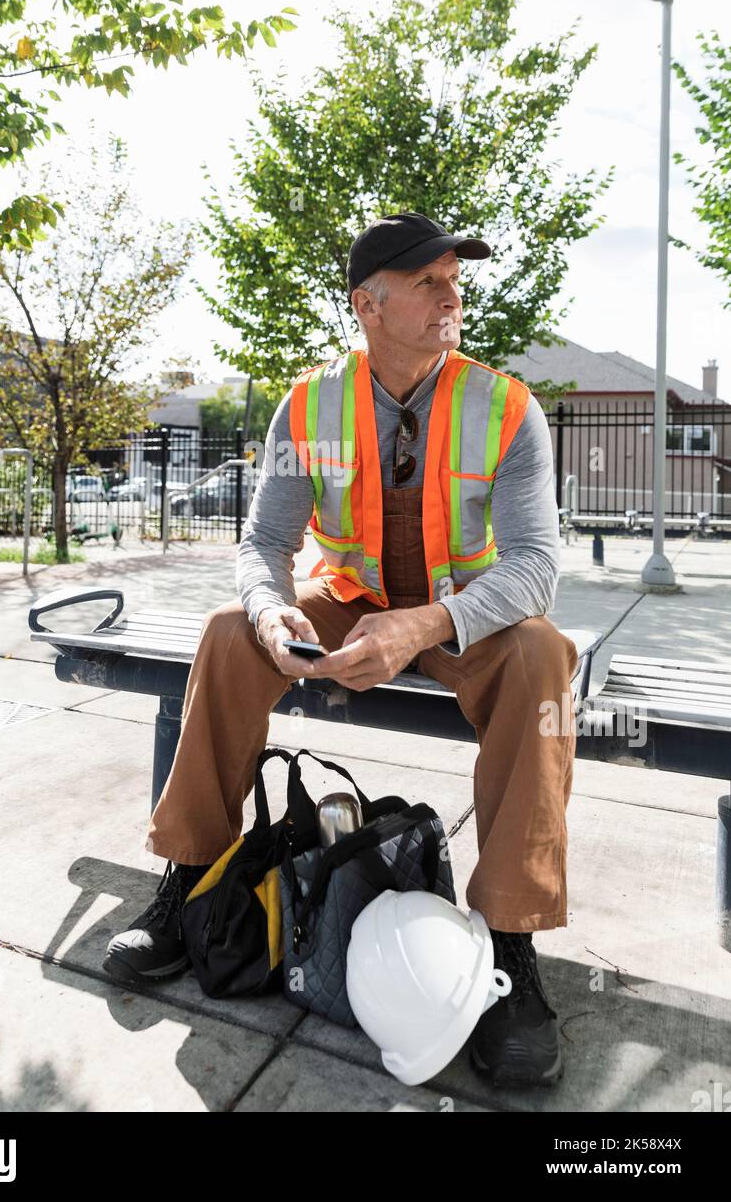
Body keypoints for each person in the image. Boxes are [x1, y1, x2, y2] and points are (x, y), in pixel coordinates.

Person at [104, 212, 580, 1090]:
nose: (453, 294)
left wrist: (428, 623)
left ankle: (508, 941)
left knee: (542, 659)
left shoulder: (507, 408)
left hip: (463, 618)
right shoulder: (311, 404)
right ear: (369, 303)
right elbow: (263, 541)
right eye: (429, 281)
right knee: (225, 634)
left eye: (455, 279)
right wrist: (269, 610)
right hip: (349, 602)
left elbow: (536, 568)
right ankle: (190, 885)